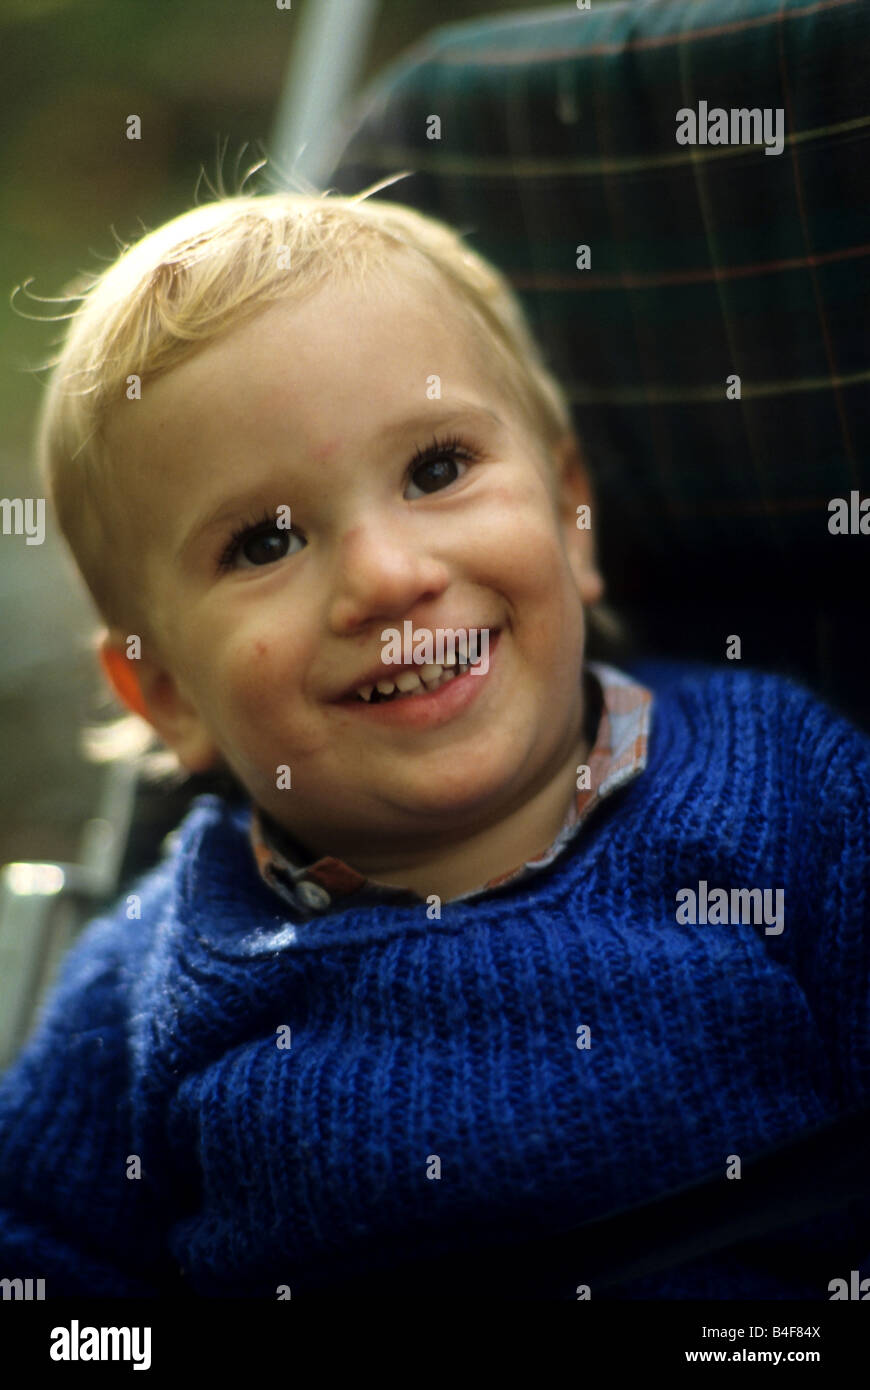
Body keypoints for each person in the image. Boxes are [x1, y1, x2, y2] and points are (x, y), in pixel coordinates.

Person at [1, 189, 867, 1299]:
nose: (385, 575)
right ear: (164, 691)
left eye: (437, 468)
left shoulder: (787, 791)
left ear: (571, 515)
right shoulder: (145, 986)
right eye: (266, 540)